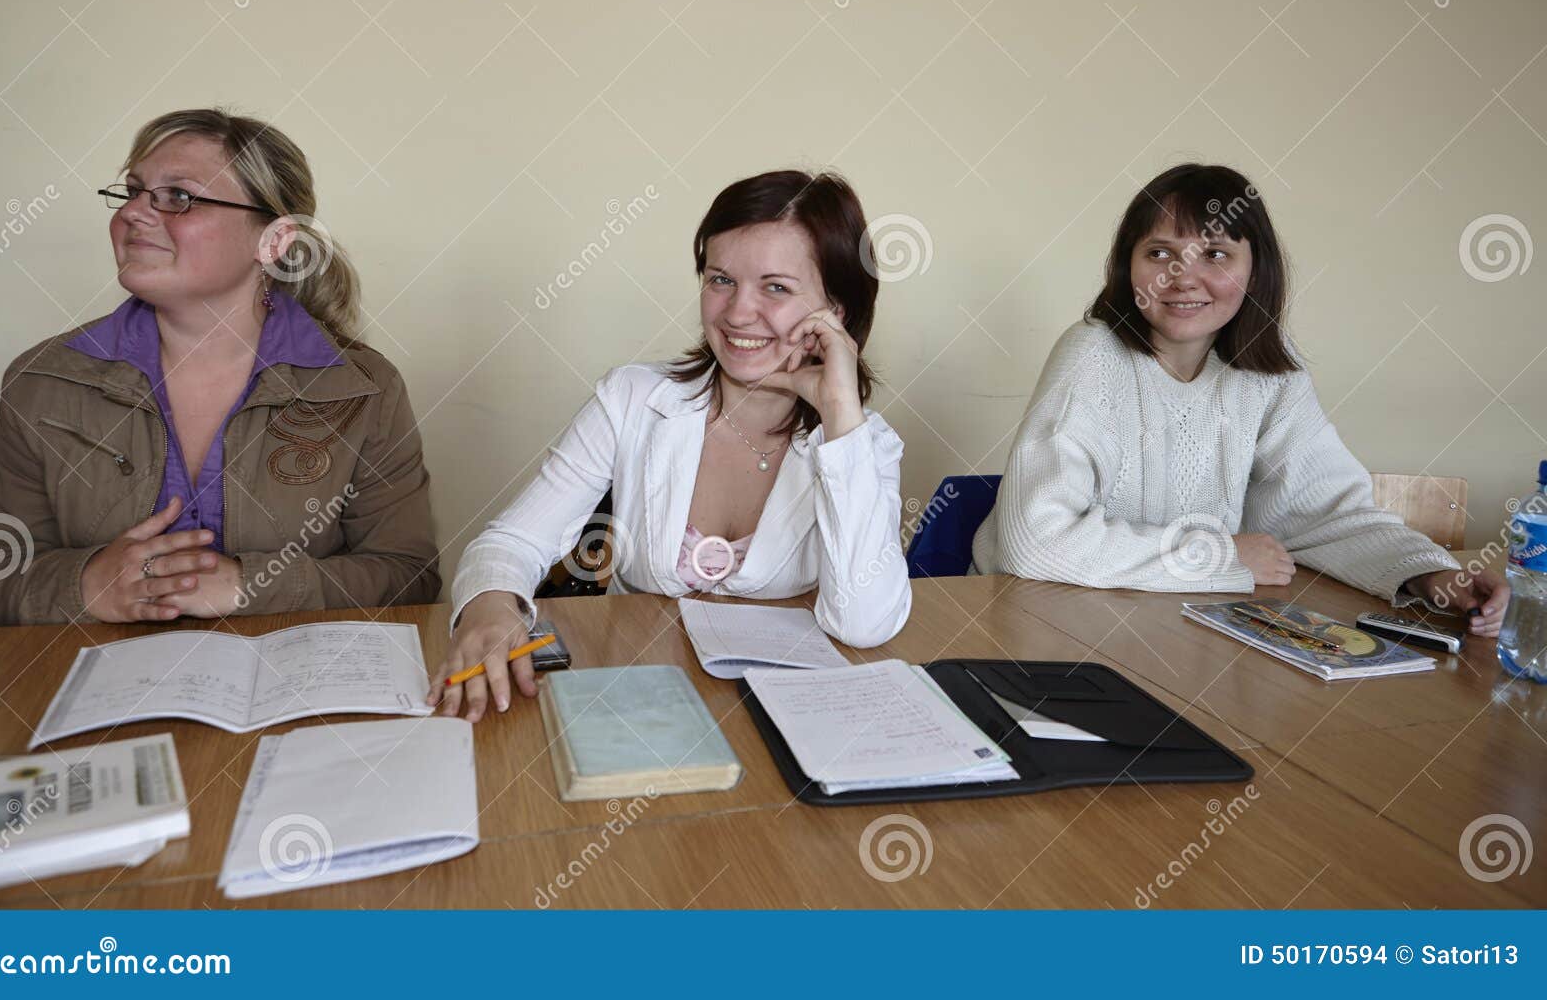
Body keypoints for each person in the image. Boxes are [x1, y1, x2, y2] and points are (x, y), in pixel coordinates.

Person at [434, 170, 910, 720]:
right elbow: (511, 542)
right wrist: (489, 604)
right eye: (720, 279)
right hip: (642, 701)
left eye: (776, 287)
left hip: (794, 714)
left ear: (838, 311)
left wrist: (839, 413)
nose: (736, 312)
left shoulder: (863, 444)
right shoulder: (632, 399)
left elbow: (865, 623)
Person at [971, 163, 1509, 635]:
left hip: (1181, 626)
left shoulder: (1268, 369)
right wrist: (1221, 557)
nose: (1184, 278)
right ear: (1126, 267)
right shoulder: (1092, 354)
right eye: (1160, 253)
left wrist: (1431, 573)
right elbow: (1034, 542)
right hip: (1041, 627)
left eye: (1215, 253)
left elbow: (1325, 515)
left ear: (1256, 270)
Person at [0, 108, 439, 625]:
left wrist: (251, 586)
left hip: (290, 693)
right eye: (133, 192)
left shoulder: (363, 388)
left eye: (178, 197)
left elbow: (409, 577)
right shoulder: (43, 380)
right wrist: (86, 584)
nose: (133, 214)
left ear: (274, 241)